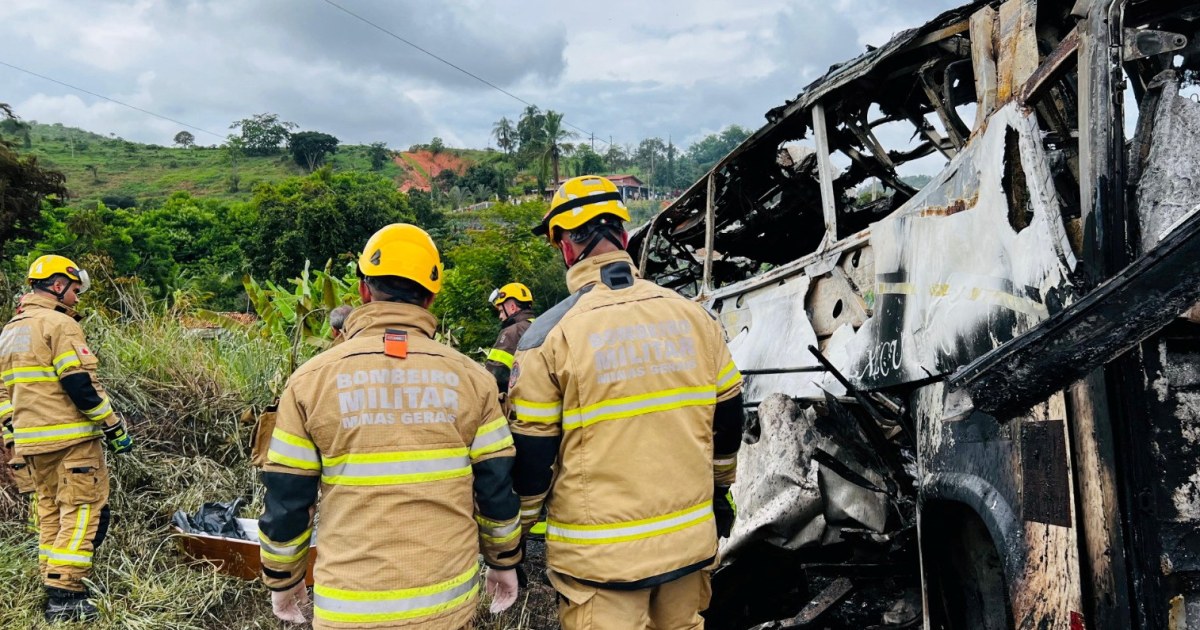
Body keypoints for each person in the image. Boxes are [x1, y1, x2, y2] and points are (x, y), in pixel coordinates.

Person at [509, 175, 746, 629]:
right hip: (689, 545)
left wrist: (513, 540)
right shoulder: (694, 317)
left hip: (602, 564)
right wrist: (719, 491)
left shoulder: (548, 337)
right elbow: (729, 418)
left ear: (564, 246)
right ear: (623, 235)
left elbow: (533, 458)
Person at [259, 224, 523, 629]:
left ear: (365, 290)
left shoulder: (310, 380)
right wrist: (503, 561)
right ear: (431, 296)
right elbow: (495, 488)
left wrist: (283, 579)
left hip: (349, 608)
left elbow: (287, 499)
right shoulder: (473, 379)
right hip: (447, 606)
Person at [0, 255, 135, 623]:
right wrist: (113, 426)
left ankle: (51, 579)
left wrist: (13, 430)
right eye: (75, 290)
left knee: (50, 512)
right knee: (81, 513)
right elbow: (79, 383)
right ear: (58, 285)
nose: (77, 298)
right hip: (71, 440)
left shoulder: (11, 330)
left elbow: (3, 394)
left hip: (30, 443)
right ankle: (65, 597)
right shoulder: (59, 324)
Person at [484, 283, 536, 398]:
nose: (500, 317)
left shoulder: (511, 332)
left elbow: (495, 373)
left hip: (518, 405)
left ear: (512, 307)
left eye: (502, 311)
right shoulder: (539, 326)